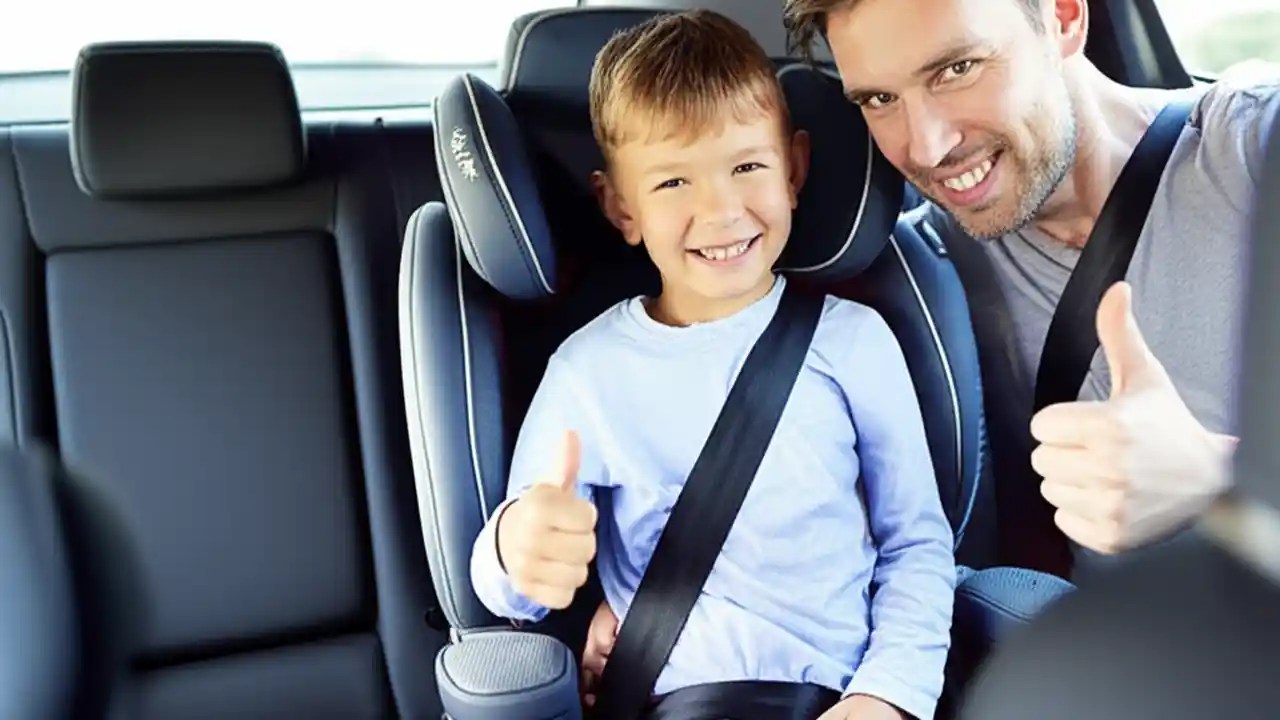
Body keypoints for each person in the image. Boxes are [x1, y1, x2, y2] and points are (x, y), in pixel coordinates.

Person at [469, 10, 956, 720]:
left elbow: (916, 542)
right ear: (620, 207)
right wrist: (519, 546)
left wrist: (886, 697)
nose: (721, 210)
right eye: (672, 184)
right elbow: (508, 581)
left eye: (747, 167)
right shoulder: (587, 373)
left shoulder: (854, 342)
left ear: (794, 170)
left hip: (842, 700)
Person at [777, 0, 1280, 575]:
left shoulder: (1251, 150)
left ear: (1063, 18)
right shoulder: (919, 284)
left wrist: (1219, 479)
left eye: (957, 69)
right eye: (880, 99)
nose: (926, 148)